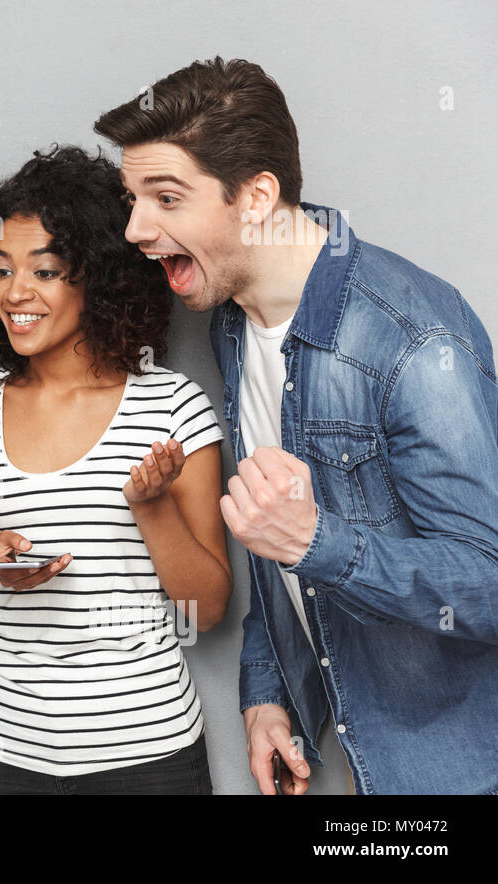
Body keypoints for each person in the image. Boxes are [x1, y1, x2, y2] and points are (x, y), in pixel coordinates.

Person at [95, 57, 498, 795]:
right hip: (346, 760)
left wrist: (323, 543)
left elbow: (490, 584)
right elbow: (269, 542)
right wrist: (267, 692)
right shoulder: (234, 321)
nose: (135, 228)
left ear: (256, 197)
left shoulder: (414, 343)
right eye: (132, 198)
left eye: (166, 197)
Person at [0, 144, 232, 794]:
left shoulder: (172, 404)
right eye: (2, 269)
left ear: (98, 277)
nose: (16, 293)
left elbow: (205, 610)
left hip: (149, 752)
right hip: (3, 751)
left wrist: (152, 509)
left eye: (44, 272)